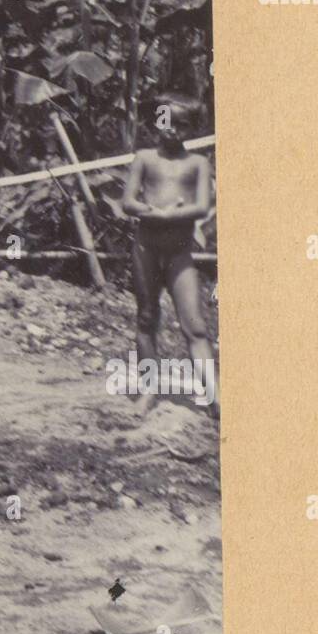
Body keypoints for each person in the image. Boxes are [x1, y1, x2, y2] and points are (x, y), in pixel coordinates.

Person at [120, 93, 217, 412]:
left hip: (179, 254)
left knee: (196, 326)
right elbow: (128, 202)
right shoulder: (145, 158)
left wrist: (167, 216)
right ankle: (149, 390)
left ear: (191, 129)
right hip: (146, 249)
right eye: (166, 122)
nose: (172, 130)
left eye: (181, 125)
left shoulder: (197, 164)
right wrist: (155, 211)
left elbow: (202, 206)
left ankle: (214, 396)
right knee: (147, 318)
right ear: (156, 123)